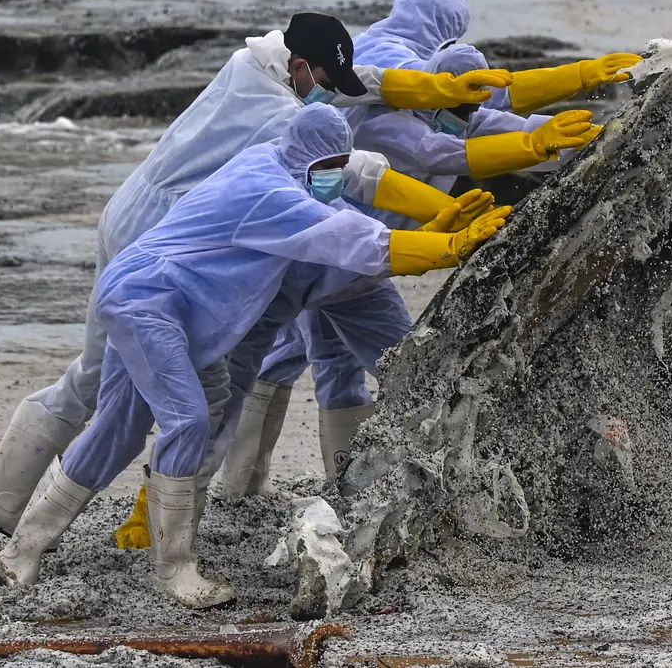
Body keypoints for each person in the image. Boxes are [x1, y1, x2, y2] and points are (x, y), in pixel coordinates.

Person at [0, 11, 514, 541]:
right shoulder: (275, 120)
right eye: (324, 77)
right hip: (163, 241)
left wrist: (442, 92)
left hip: (132, 213)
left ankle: (0, 507)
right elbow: (359, 177)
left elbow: (364, 85)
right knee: (169, 392)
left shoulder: (249, 66)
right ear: (298, 65)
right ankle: (147, 522)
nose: (331, 91)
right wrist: (441, 229)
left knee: (98, 375)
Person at [209, 43, 607, 498]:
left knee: (337, 367)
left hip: (354, 276)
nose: (463, 114)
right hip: (332, 263)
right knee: (407, 370)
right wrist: (452, 232)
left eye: (469, 105)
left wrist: (594, 127)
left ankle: (337, 491)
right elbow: (439, 154)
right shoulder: (390, 122)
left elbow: (516, 125)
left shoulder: (465, 115)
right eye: (456, 101)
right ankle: (239, 490)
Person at [351, 0, 642, 117]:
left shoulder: (365, 43)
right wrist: (578, 75)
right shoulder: (391, 57)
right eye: (452, 40)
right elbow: (446, 89)